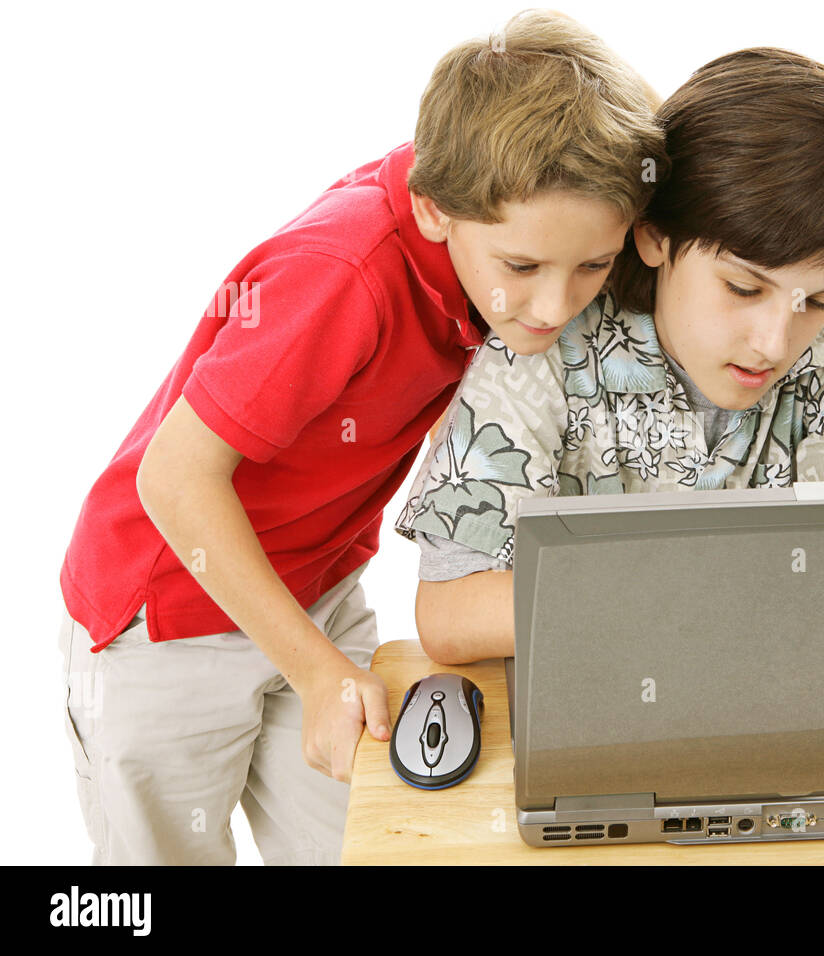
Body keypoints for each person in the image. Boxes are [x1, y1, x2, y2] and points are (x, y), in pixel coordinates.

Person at [56, 10, 665, 865]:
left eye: (591, 267)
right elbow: (175, 478)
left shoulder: (498, 207)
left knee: (368, 841)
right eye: (523, 268)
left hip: (318, 587)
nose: (556, 307)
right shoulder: (341, 277)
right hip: (166, 618)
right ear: (433, 208)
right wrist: (313, 672)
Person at [396, 47, 824, 665]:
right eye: (743, 289)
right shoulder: (549, 341)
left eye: (818, 300)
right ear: (653, 238)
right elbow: (451, 613)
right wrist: (692, 596)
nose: (775, 342)